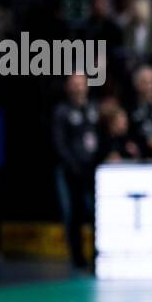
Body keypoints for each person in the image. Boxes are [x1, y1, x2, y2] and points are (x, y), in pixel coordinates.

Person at [52, 72, 101, 270]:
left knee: (95, 212)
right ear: (68, 87)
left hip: (93, 170)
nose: (78, 87)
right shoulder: (62, 111)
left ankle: (96, 255)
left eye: (82, 83)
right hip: (70, 171)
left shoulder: (94, 108)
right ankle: (77, 258)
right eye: (74, 84)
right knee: (73, 213)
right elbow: (59, 142)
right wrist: (73, 165)